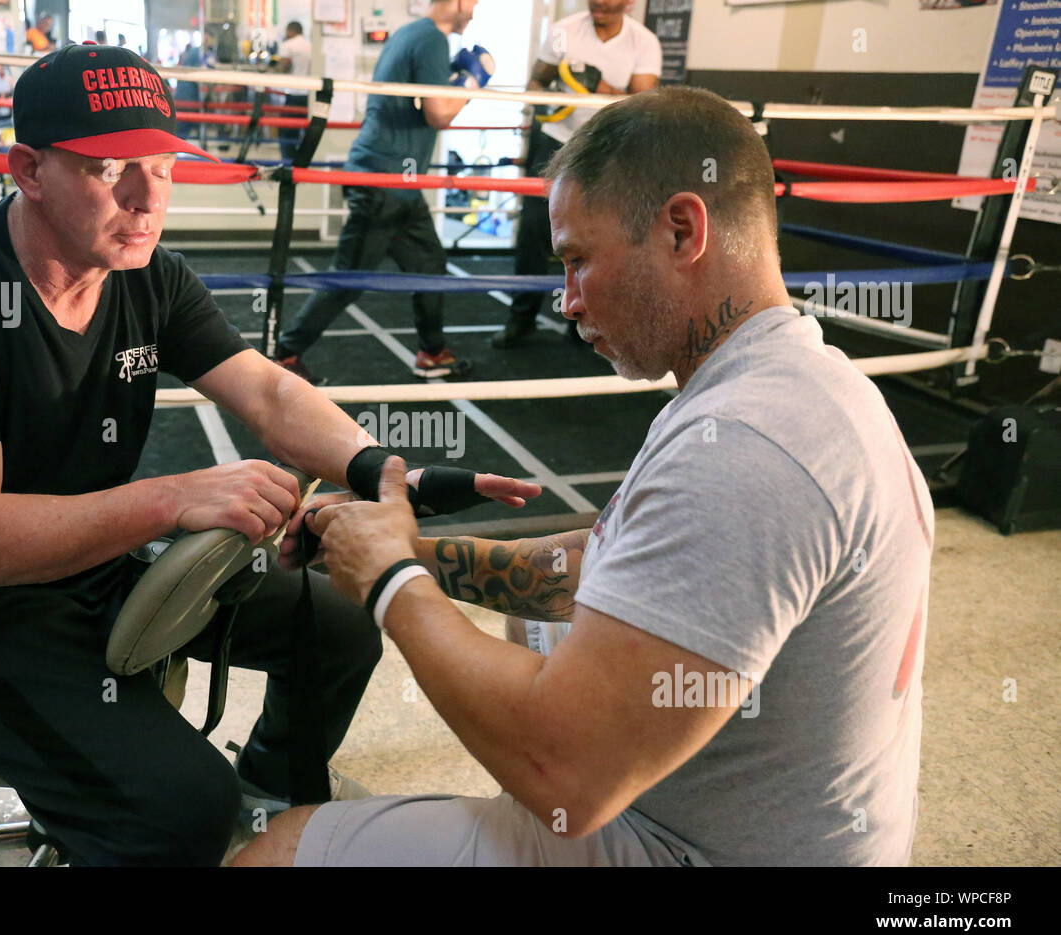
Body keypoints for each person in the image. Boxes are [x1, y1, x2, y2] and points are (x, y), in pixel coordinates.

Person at [0, 44, 538, 866]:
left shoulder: (146, 276)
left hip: (95, 562)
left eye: (162, 165)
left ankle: (273, 784)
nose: (145, 198)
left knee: (340, 623)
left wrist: (382, 472)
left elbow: (268, 394)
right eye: (111, 169)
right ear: (28, 169)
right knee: (185, 813)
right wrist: (172, 499)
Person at [235, 86, 933, 867]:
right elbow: (593, 566)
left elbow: (564, 776)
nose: (565, 302)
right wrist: (393, 547)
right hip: (772, 820)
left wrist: (394, 581)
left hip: (693, 847)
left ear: (681, 229)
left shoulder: (743, 447)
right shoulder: (788, 376)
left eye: (577, 261)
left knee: (274, 850)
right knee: (540, 625)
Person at [274, 0, 493, 385]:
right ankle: (285, 355)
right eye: (473, 2)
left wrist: (457, 81)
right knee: (348, 279)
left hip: (400, 184)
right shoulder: (431, 39)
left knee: (429, 267)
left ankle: (432, 352)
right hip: (383, 180)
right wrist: (473, 81)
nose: (474, 11)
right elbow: (439, 114)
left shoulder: (412, 34)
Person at [495, 0, 661, 349]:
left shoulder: (642, 42)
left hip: (604, 150)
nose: (599, 2)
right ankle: (520, 318)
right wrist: (547, 101)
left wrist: (602, 90)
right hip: (554, 143)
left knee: (593, 239)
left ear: (629, 3)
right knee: (533, 231)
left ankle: (583, 323)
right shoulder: (563, 32)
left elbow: (644, 106)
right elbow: (536, 82)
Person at [274, 21, 311, 160]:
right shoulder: (309, 46)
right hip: (308, 96)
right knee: (306, 132)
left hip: (293, 94)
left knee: (286, 132)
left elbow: (284, 66)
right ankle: (302, 163)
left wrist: (274, 70)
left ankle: (289, 165)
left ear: (290, 31)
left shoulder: (288, 45)